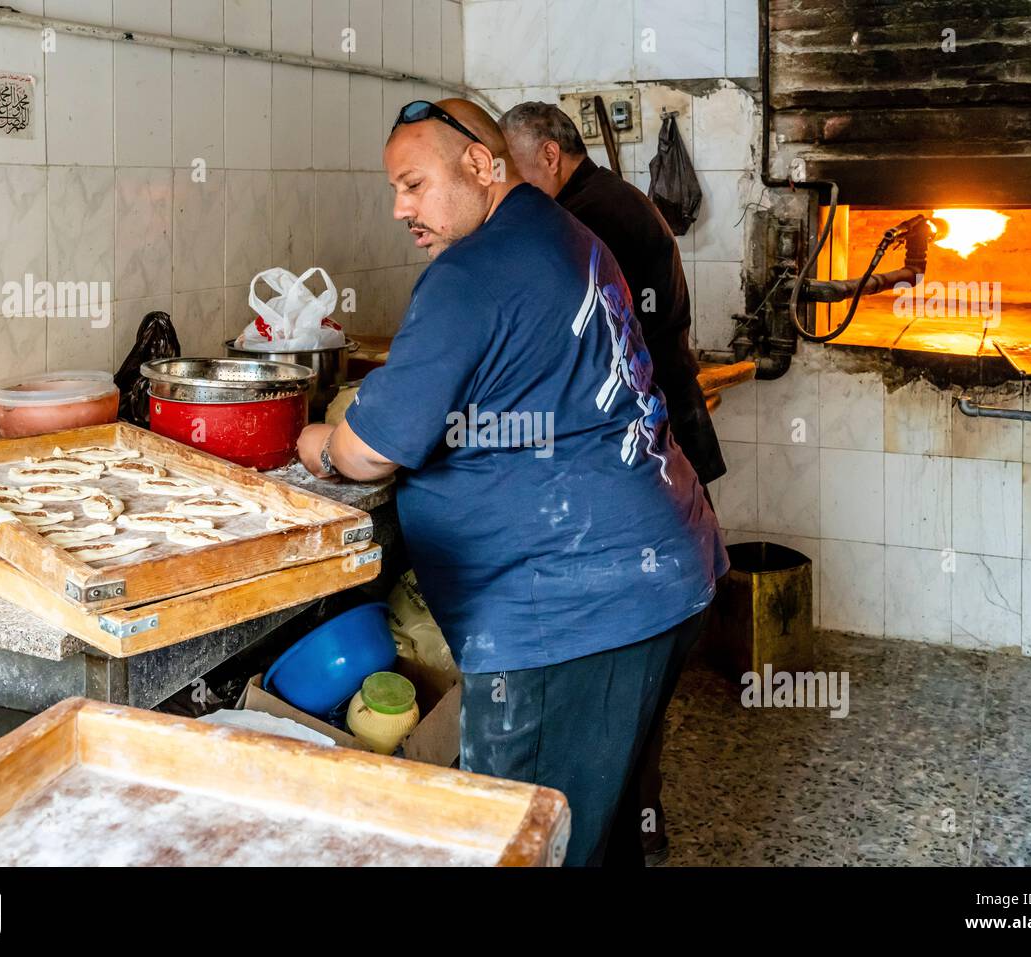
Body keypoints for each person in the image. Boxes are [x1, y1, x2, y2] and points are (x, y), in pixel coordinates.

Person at [296, 98, 726, 867]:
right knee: (597, 821)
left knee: (522, 840)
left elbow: (371, 451)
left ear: (480, 165)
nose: (400, 208)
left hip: (571, 611)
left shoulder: (471, 272)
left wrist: (318, 442)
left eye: (414, 184)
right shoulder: (565, 234)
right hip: (663, 569)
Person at [500, 100, 723, 865]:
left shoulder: (588, 219)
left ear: (551, 159)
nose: (503, 186)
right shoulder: (606, 205)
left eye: (512, 167)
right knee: (637, 669)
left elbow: (590, 344)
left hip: (647, 447)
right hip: (662, 430)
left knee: (629, 672)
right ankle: (638, 818)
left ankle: (636, 821)